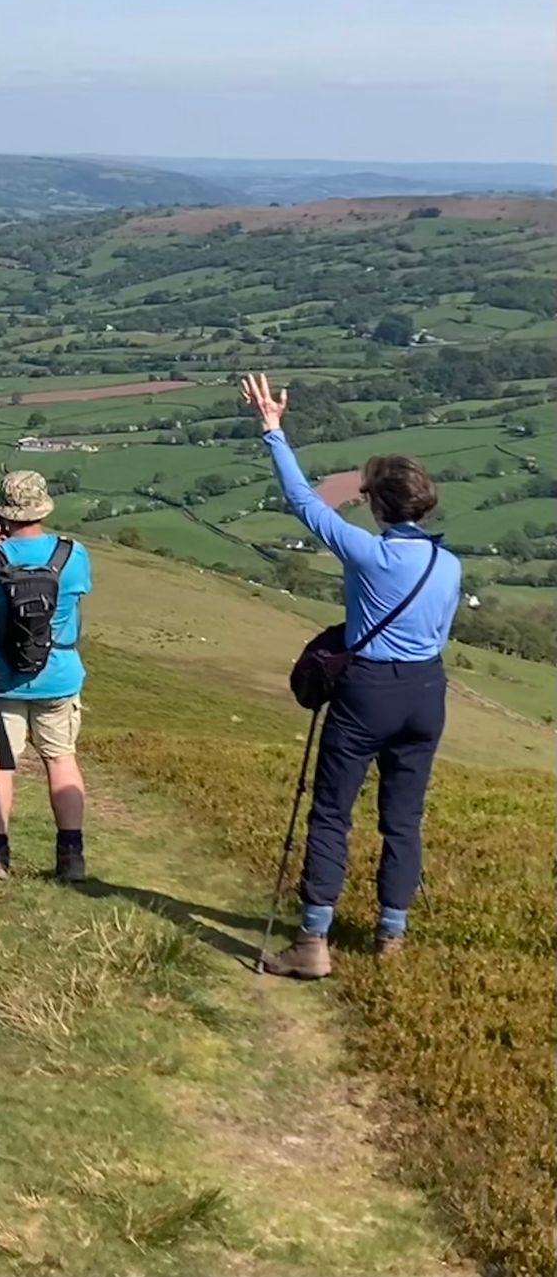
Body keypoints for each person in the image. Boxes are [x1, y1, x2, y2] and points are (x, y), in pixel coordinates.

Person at [242, 373, 462, 978]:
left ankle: (313, 941)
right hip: (427, 691)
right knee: (403, 819)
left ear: (376, 503)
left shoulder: (371, 553)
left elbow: (304, 504)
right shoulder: (449, 563)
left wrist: (273, 431)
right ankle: (392, 935)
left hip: (369, 691)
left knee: (333, 811)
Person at [0, 470, 92, 883]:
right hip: (59, 673)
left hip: (2, 675)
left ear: (3, 514)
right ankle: (71, 854)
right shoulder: (73, 555)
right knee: (60, 759)